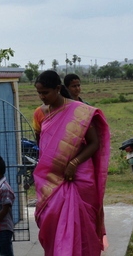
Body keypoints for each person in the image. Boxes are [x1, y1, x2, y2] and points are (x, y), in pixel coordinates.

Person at [33, 70, 110, 256]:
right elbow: (42, 144)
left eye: (46, 93)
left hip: (80, 176)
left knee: (83, 225)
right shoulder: (41, 113)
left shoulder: (79, 111)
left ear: (58, 89)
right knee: (51, 219)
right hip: (51, 178)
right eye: (39, 93)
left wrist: (74, 162)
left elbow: (94, 143)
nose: (42, 97)